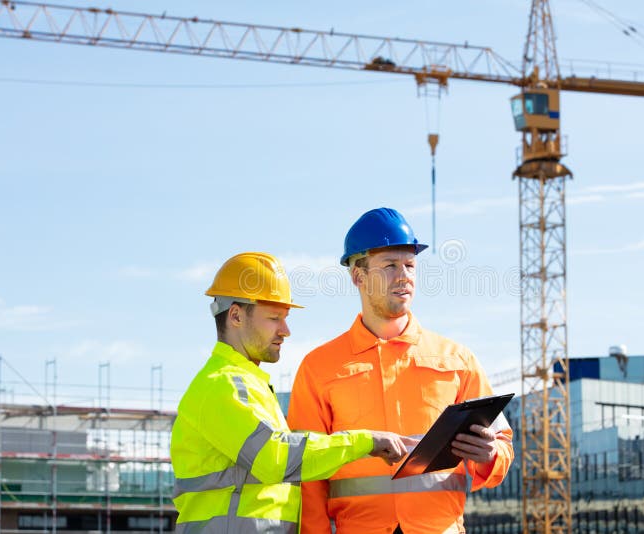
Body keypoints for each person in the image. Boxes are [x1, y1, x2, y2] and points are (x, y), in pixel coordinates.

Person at [288, 208, 514, 534]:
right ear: (358, 276)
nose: (403, 276)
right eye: (390, 266)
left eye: (410, 265)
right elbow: (306, 474)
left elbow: (502, 445)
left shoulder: (458, 360)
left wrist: (489, 454)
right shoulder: (319, 367)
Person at [170, 252, 413, 533]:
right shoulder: (221, 385)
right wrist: (365, 441)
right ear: (236, 315)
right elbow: (276, 457)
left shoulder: (247, 384)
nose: (285, 331)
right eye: (274, 318)